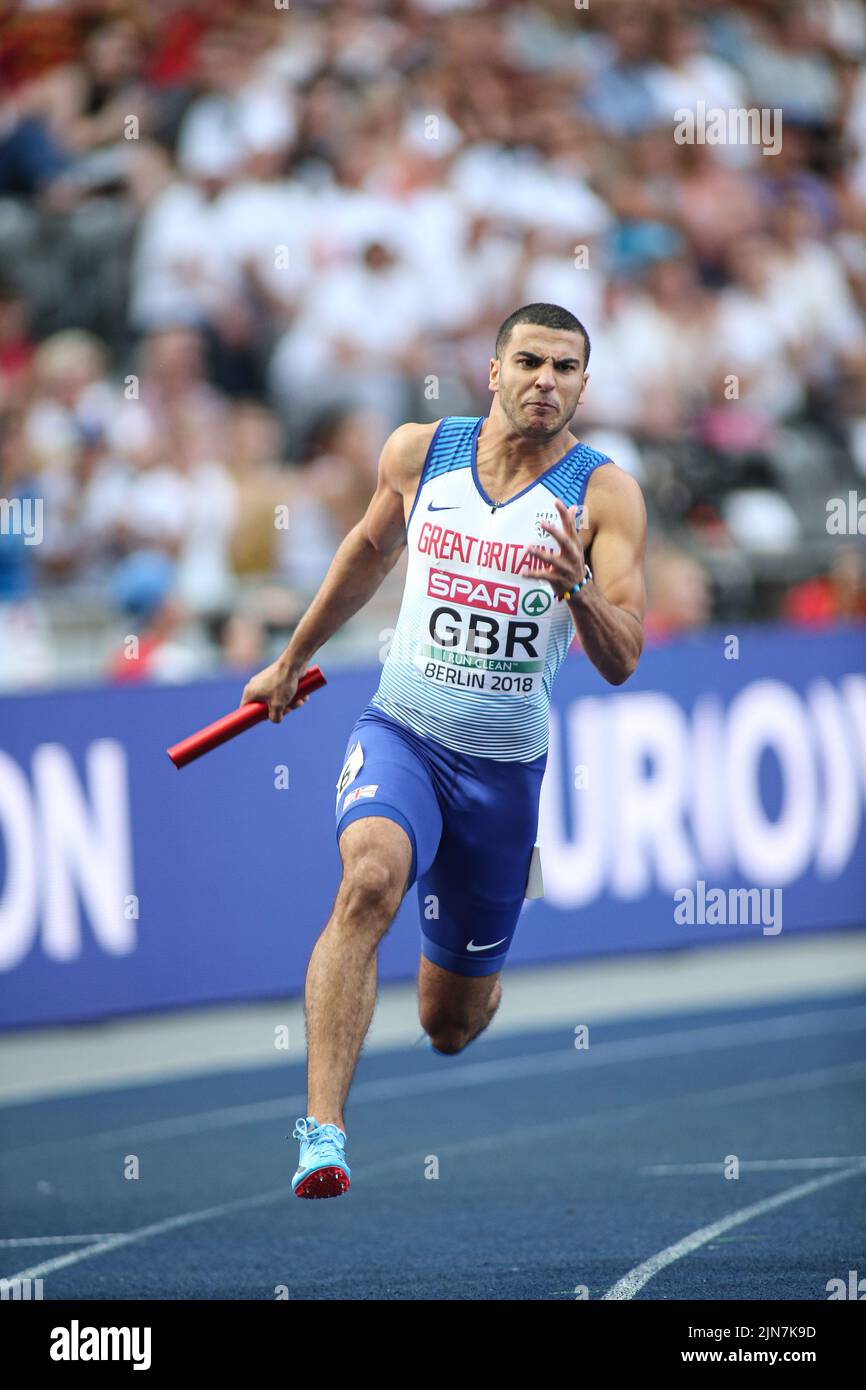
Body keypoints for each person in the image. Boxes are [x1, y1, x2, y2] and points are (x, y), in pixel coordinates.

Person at [240, 303, 647, 1198]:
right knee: (369, 881)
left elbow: (623, 658)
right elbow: (367, 551)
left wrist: (577, 588)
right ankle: (322, 1132)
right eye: (530, 362)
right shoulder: (419, 453)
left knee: (448, 1023)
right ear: (493, 371)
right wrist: (291, 659)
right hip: (404, 734)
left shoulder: (605, 493)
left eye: (566, 368)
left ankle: (479, 972)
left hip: (503, 778)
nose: (546, 381)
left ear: (584, 385)